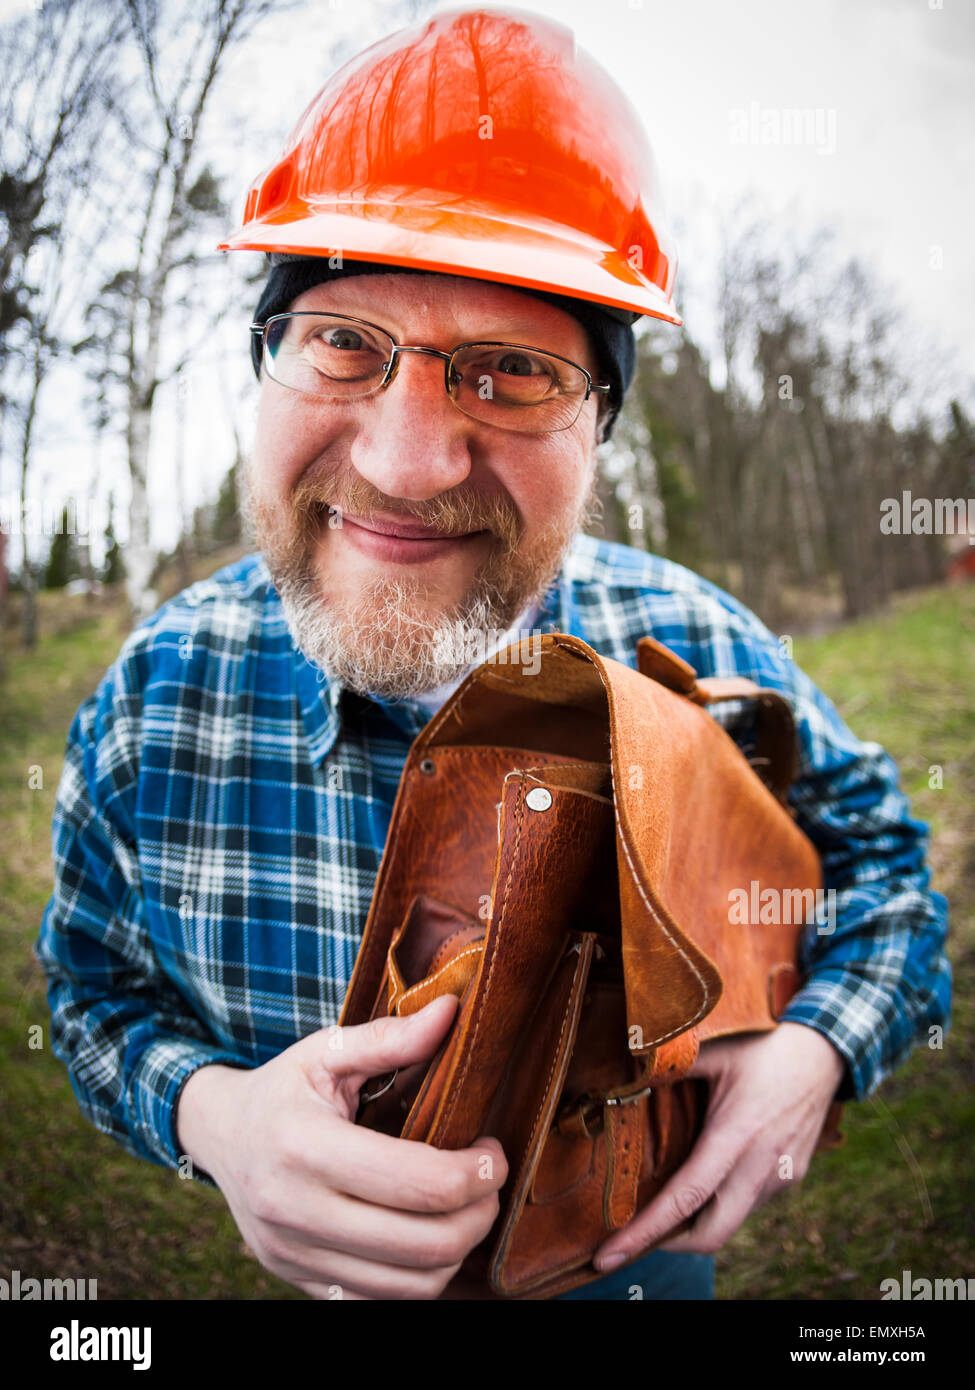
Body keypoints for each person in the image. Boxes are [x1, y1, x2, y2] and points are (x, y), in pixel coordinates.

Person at [35, 7, 949, 1302]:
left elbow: (890, 878)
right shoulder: (155, 699)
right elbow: (87, 986)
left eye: (511, 372)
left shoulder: (699, 639)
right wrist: (210, 1115)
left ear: (599, 434)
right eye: (345, 341)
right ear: (264, 366)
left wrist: (818, 1050)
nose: (408, 464)